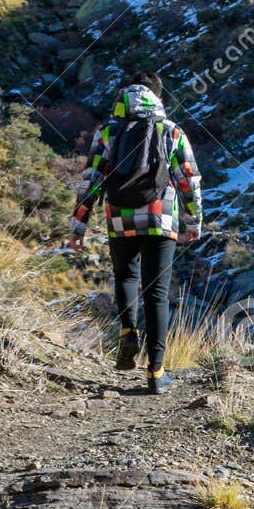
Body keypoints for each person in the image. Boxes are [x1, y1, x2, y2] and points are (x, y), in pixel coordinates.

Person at [69, 72, 202, 393]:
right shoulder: (170, 130)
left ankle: (129, 332)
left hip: (118, 215)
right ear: (158, 97)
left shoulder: (107, 132)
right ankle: (156, 373)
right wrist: (193, 219)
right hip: (160, 217)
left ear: (123, 98)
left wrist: (79, 224)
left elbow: (91, 180)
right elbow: (188, 179)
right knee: (157, 292)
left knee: (125, 276)